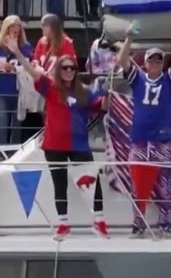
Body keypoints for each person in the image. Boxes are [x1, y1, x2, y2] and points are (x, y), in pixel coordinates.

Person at [13, 46, 108, 238]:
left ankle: (99, 222)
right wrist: (16, 52)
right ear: (58, 70)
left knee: (91, 181)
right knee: (60, 184)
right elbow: (31, 72)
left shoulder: (85, 92)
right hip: (54, 145)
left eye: (72, 68)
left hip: (79, 144)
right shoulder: (50, 87)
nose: (69, 71)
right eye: (64, 68)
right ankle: (63, 224)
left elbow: (102, 106)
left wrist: (108, 91)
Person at [115, 22, 171, 235]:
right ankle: (138, 222)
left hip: (163, 140)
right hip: (140, 141)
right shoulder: (137, 79)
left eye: (158, 60)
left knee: (165, 185)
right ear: (145, 63)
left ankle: (165, 222)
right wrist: (128, 38)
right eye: (151, 60)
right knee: (138, 185)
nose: (155, 63)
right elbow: (122, 60)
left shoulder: (169, 80)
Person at [0, 15, 33, 145]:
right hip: (2, 89)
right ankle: (1, 150)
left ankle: (15, 150)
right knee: (3, 122)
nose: (15, 28)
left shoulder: (25, 46)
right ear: (6, 28)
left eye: (18, 25)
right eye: (12, 26)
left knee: (17, 124)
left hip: (19, 90)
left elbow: (27, 67)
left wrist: (12, 68)